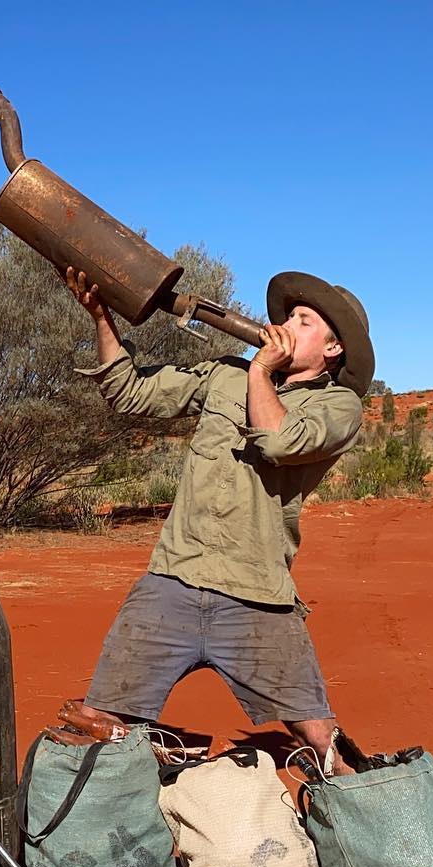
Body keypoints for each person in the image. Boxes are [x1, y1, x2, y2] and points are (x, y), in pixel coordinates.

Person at [62, 266, 374, 773]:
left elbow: (279, 441)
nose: (289, 326)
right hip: (175, 577)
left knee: (320, 739)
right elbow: (128, 392)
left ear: (334, 349)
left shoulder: (339, 406)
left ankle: (369, 827)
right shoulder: (222, 373)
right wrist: (101, 316)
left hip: (257, 591)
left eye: (305, 321)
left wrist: (259, 372)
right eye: (289, 316)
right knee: (97, 719)